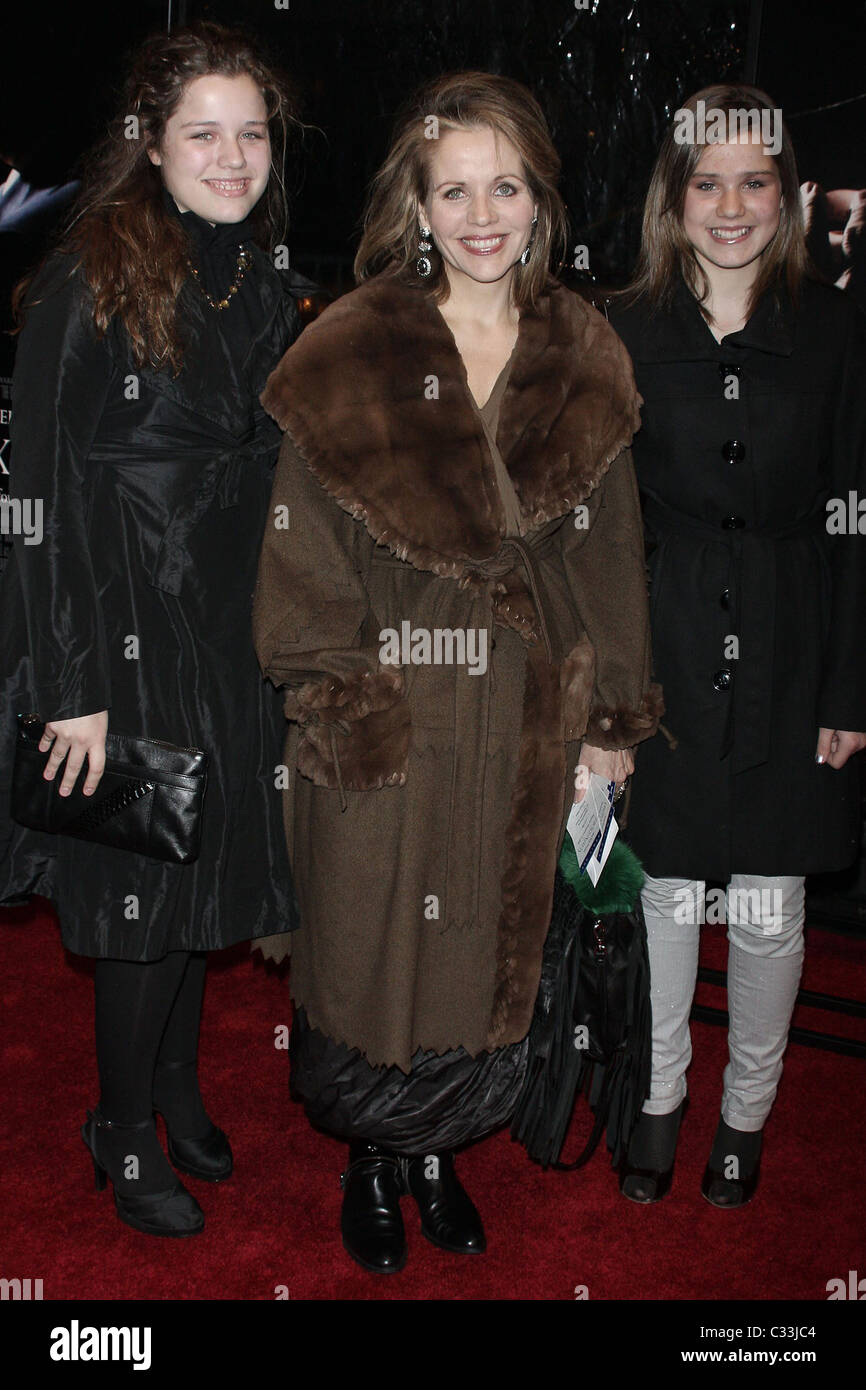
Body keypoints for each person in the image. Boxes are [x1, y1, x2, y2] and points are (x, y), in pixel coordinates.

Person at [252, 70, 662, 1274]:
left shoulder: (583, 355)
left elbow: (612, 560)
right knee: (379, 940)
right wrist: (342, 700)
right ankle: (375, 1161)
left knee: (490, 942)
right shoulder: (350, 347)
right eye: (453, 190)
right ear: (415, 206)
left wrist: (611, 724)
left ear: (539, 202)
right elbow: (301, 560)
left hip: (524, 716)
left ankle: (437, 1152)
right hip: (388, 707)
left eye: (506, 187)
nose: (481, 215)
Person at [0, 23, 301, 1236]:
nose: (232, 157)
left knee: (202, 869)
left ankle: (173, 1083)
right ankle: (118, 1123)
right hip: (116, 630)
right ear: (150, 143)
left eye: (252, 133)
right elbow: (39, 499)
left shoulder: (258, 271)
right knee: (136, 891)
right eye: (204, 134)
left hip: (229, 627)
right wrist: (68, 684)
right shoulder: (85, 274)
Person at [610, 84, 866, 1208]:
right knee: (663, 891)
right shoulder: (620, 328)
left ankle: (744, 1113)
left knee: (765, 902)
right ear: (673, 196)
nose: (728, 205)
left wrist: (849, 684)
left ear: (788, 193)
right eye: (704, 182)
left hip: (791, 642)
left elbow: (856, 508)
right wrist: (603, 698)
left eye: (751, 181)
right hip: (662, 642)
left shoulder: (835, 327)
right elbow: (596, 528)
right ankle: (659, 1097)